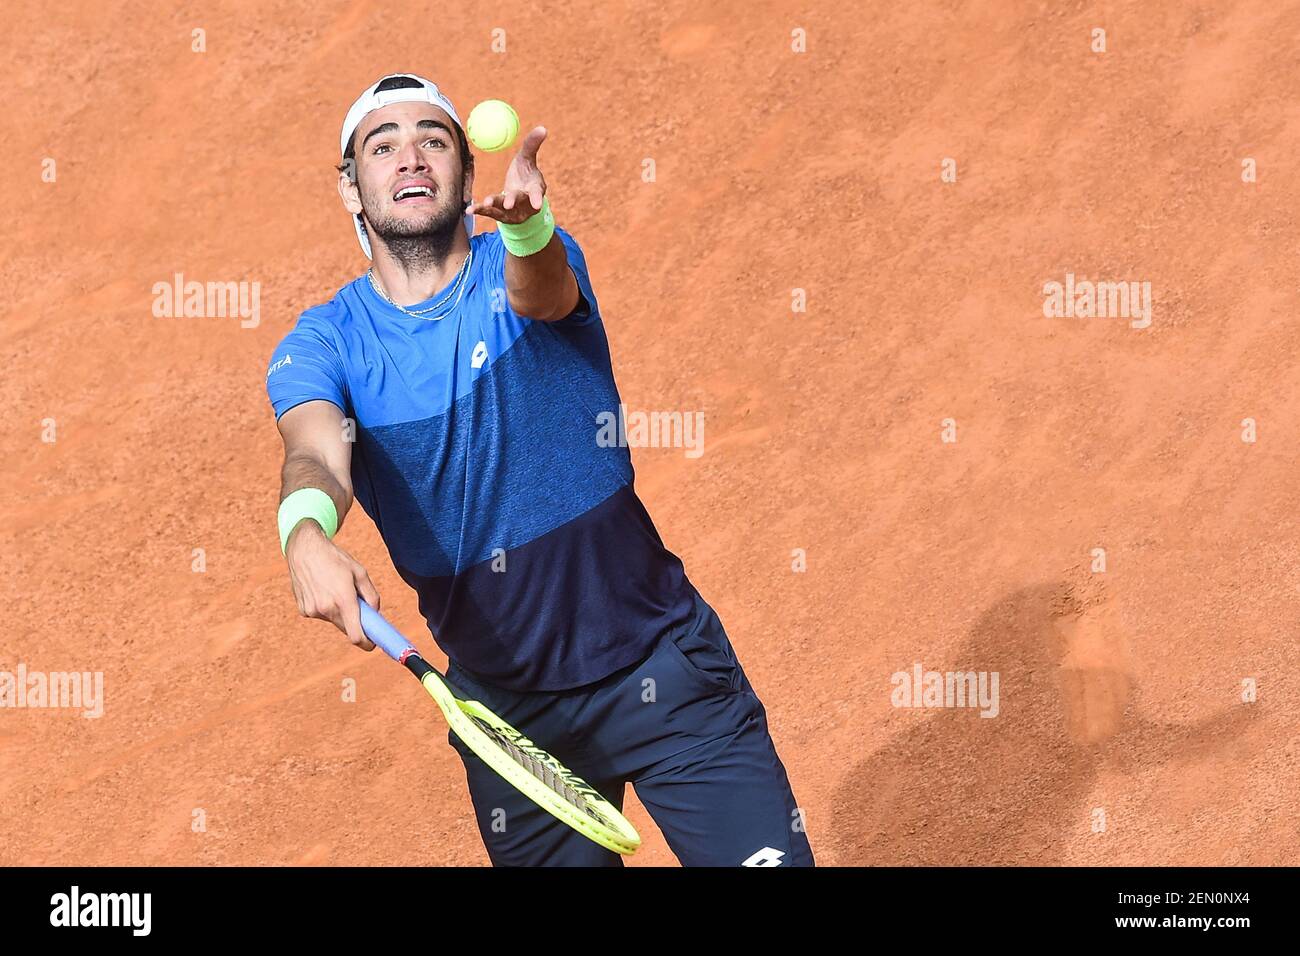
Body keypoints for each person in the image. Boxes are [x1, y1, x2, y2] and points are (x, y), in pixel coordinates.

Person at [265, 73, 813, 867]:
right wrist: (305, 533)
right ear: (352, 189)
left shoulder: (525, 262)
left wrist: (529, 234)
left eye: (433, 139)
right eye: (382, 147)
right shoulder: (326, 342)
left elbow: (543, 293)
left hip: (666, 673)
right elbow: (314, 449)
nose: (410, 158)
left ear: (467, 172)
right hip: (510, 726)